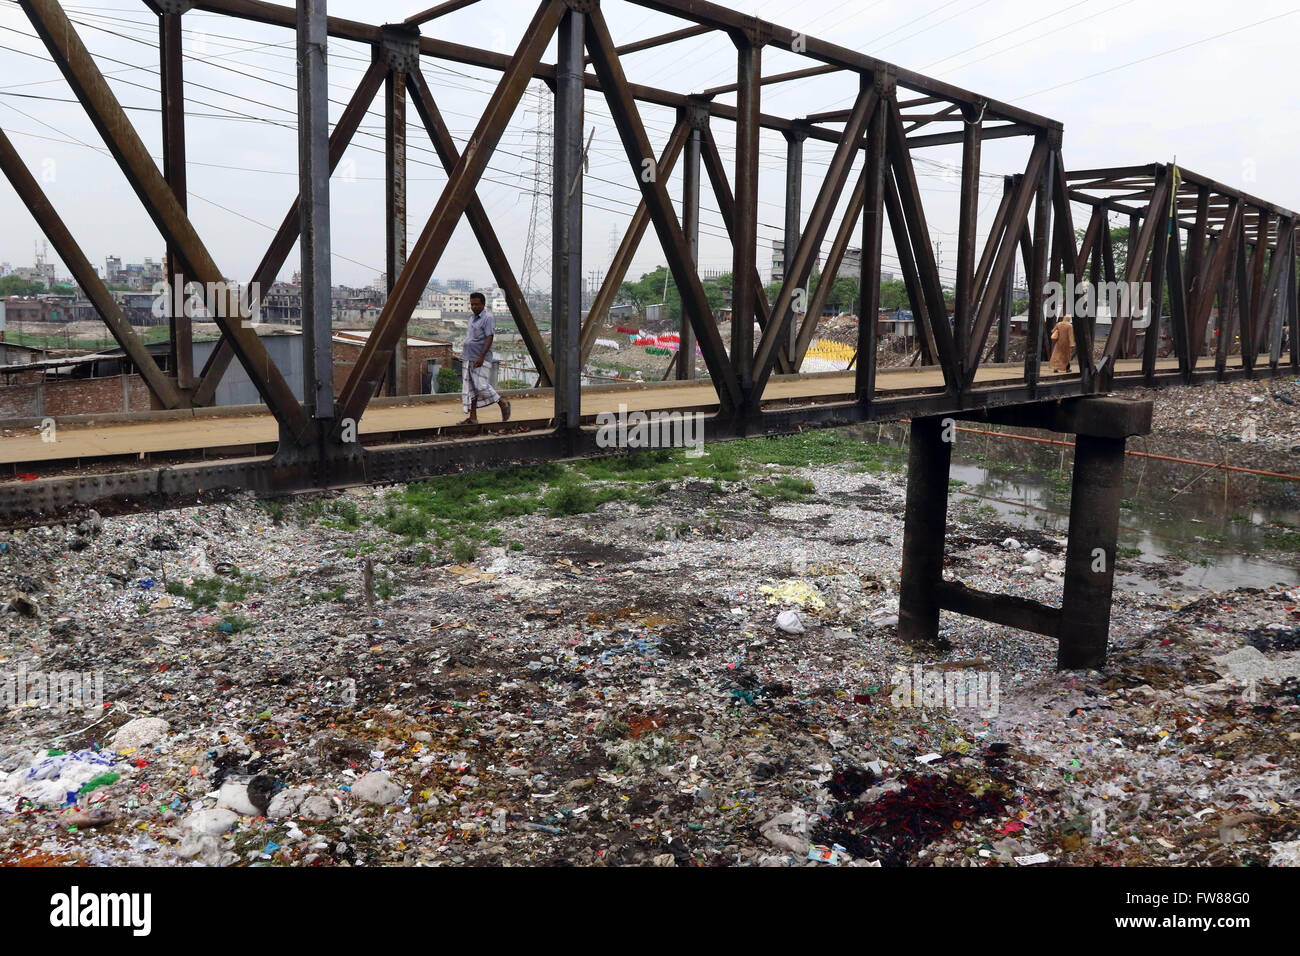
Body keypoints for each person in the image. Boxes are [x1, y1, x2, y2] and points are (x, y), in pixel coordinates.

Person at [459, 292, 511, 425]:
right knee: (471, 388)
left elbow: (490, 337)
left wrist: (481, 357)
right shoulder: (471, 318)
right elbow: (470, 338)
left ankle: (502, 403)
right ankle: (473, 418)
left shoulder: (488, 318)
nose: (474, 307)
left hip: (480, 358)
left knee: (481, 386)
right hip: (468, 357)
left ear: (483, 304)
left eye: (477, 304)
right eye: (472, 304)